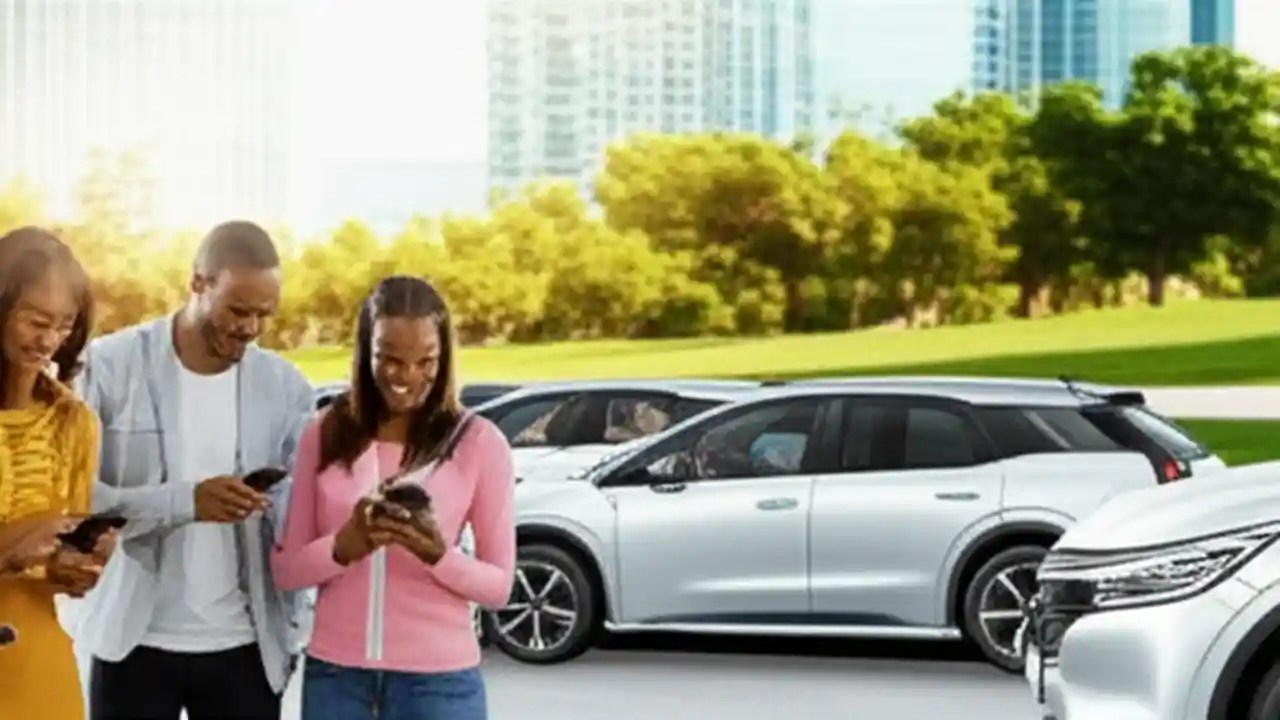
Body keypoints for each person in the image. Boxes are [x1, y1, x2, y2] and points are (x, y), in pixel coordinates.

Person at [75, 220, 315, 720]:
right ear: (198, 283)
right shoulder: (112, 367)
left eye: (263, 314)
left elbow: (301, 515)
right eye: (237, 309)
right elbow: (78, 499)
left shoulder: (286, 388)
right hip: (133, 642)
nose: (250, 327)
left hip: (246, 649)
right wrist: (186, 502)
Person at [271, 275, 515, 720]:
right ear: (366, 351)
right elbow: (287, 571)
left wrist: (437, 553)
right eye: (390, 359)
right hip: (337, 679)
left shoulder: (479, 442)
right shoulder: (323, 434)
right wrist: (343, 547)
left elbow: (499, 587)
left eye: (427, 361)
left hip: (439, 685)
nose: (408, 377)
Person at [0, 227, 113, 718]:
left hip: (37, 659)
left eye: (64, 326)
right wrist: (14, 548)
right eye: (36, 321)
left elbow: (60, 556)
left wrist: (77, 566)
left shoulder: (75, 422)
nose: (49, 341)